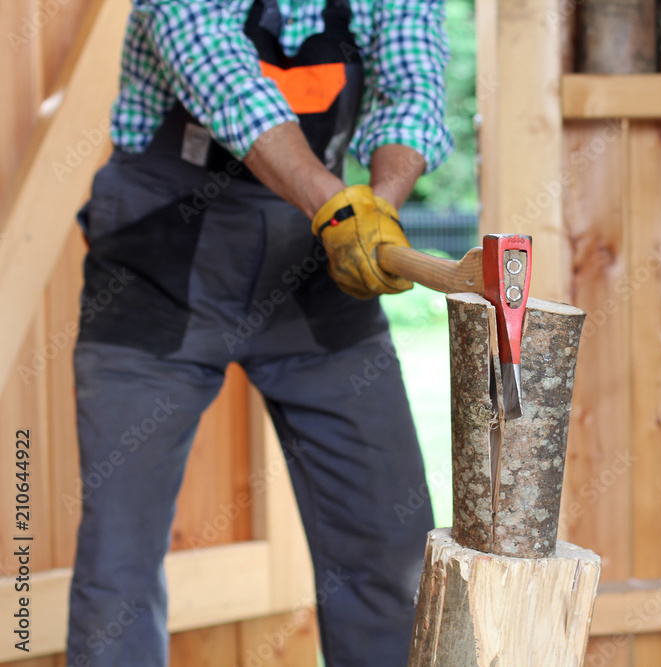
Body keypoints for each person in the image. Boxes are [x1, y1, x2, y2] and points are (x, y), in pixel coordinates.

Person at [67, 0, 452, 665]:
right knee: (116, 565)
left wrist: (375, 209)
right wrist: (331, 204)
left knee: (390, 548)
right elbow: (210, 59)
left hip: (317, 261)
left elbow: (412, 85)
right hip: (161, 257)